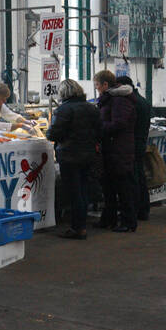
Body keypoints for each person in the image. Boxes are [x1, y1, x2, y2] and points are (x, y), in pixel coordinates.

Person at [46, 78, 101, 239]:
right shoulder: (92, 108)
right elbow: (100, 131)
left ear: (63, 93)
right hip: (88, 155)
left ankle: (78, 228)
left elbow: (53, 134)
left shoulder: (63, 110)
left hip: (69, 156)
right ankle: (81, 225)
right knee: (83, 190)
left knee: (74, 192)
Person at [94, 69, 137, 232]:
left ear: (105, 84)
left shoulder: (119, 100)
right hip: (112, 149)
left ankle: (128, 221)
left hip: (119, 149)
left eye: (97, 85)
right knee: (109, 187)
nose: (97, 88)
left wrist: (99, 127)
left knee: (122, 187)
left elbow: (119, 124)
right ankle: (109, 218)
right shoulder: (111, 99)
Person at [114, 76, 151, 220]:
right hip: (140, 142)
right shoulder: (142, 101)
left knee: (133, 178)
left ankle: (135, 209)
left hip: (132, 144)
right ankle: (143, 209)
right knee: (139, 176)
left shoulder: (131, 102)